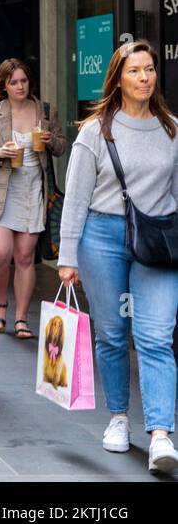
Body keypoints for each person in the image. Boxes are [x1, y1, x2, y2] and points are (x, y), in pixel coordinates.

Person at [58, 39, 178, 474]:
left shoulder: (172, 130)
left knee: (156, 336)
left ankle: (161, 434)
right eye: (135, 71)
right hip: (102, 236)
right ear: (118, 78)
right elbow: (75, 199)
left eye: (149, 70)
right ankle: (118, 417)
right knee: (111, 332)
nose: (145, 77)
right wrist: (67, 255)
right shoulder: (95, 131)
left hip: (157, 240)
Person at [0, 58, 66, 340]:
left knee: (25, 257)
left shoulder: (45, 110)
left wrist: (49, 141)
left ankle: (22, 318)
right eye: (13, 82)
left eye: (23, 81)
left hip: (33, 191)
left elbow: (61, 147)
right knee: (0, 253)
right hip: (1, 191)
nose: (20, 86)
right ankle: (1, 303)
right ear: (4, 86)